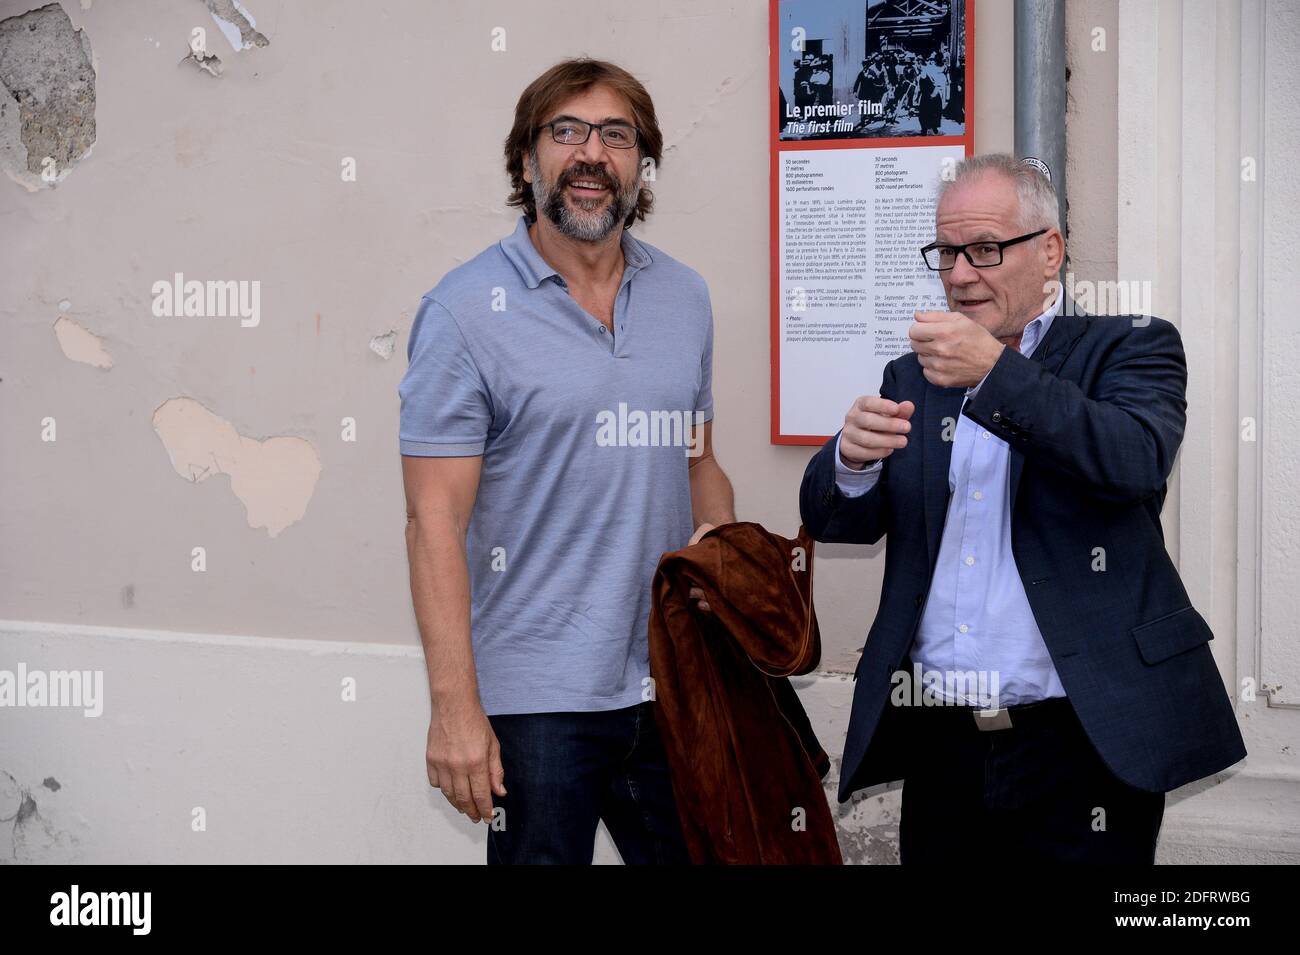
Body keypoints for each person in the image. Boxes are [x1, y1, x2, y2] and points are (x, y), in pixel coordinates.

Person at [799, 154, 1246, 863]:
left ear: (1050, 251)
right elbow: (840, 522)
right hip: (941, 741)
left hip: (1084, 738)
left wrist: (996, 373)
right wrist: (849, 461)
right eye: (946, 251)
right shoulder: (915, 371)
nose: (959, 273)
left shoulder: (1130, 345)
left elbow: (1131, 459)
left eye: (983, 249)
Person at [399, 57, 735, 864]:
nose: (592, 154)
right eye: (567, 131)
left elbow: (698, 462)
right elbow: (432, 521)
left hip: (670, 684)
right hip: (535, 704)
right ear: (527, 160)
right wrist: (454, 706)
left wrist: (722, 533)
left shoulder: (684, 298)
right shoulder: (463, 312)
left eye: (616, 135)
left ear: (641, 164)